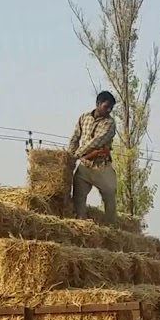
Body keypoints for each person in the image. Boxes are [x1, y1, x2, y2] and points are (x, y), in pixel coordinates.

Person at [68, 91, 118, 225]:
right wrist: (68, 156)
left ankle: (111, 228)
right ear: (97, 103)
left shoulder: (109, 124)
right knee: (78, 198)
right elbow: (75, 138)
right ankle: (81, 226)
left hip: (101, 167)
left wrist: (75, 156)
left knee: (110, 195)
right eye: (106, 106)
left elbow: (95, 142)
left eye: (111, 108)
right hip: (85, 167)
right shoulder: (84, 118)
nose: (108, 110)